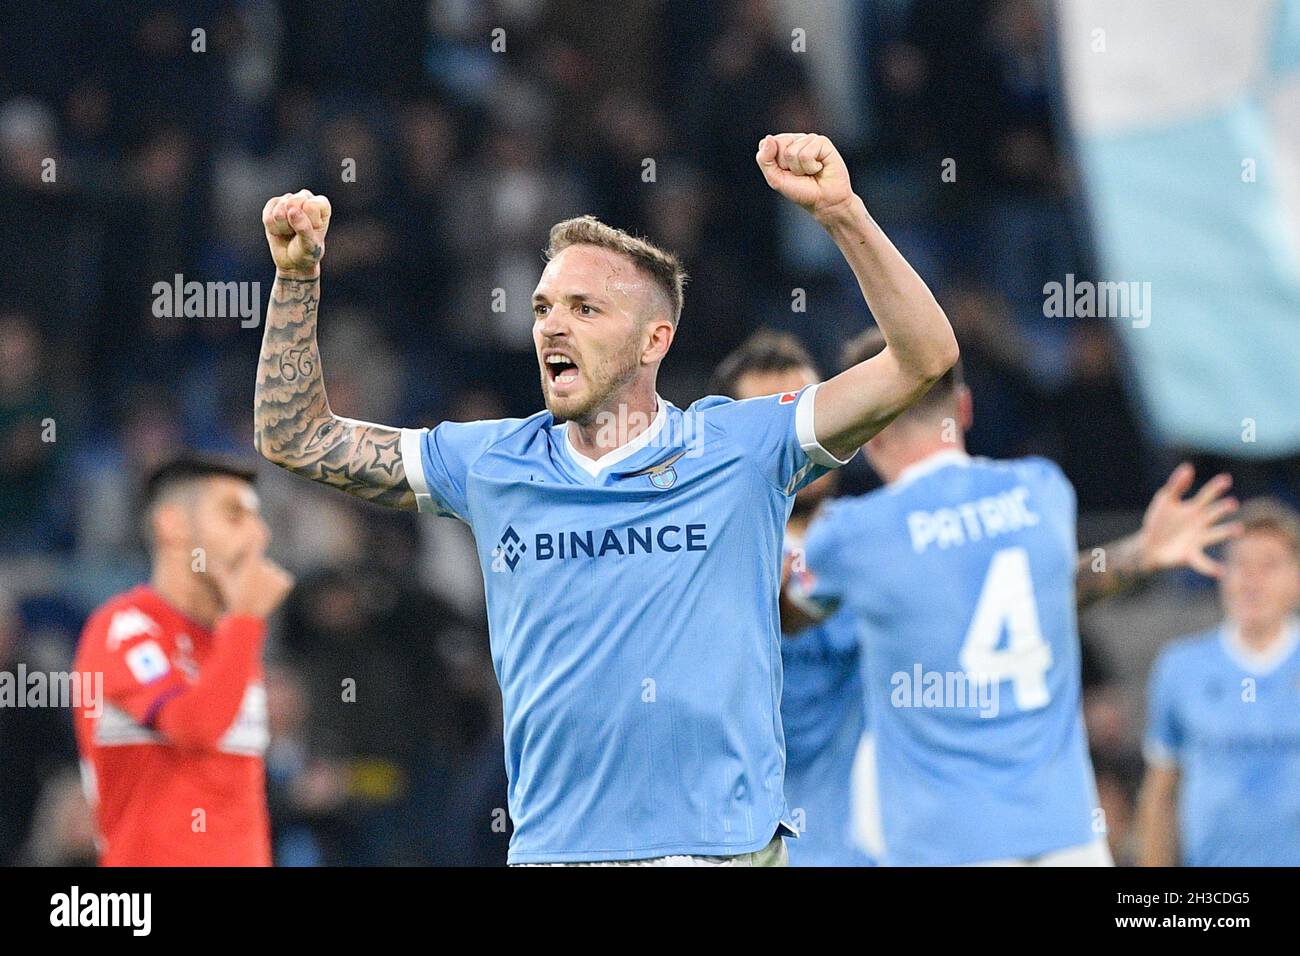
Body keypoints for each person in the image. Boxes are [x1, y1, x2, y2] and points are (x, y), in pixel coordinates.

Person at [253, 133, 959, 864]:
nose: (552, 324)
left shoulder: (741, 449)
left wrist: (842, 213)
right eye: (543, 307)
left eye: (586, 309)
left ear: (655, 339)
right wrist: (297, 276)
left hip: (720, 852)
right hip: (558, 854)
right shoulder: (492, 462)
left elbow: (924, 358)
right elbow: (295, 437)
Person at [787, 328, 1239, 866]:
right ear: (965, 407)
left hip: (946, 843)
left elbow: (784, 618)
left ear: (865, 434)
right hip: (1068, 836)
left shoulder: (853, 535)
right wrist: (1138, 553)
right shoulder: (1041, 490)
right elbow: (1042, 590)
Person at [73, 453, 293, 866]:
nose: (258, 535)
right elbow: (192, 727)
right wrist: (246, 619)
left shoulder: (230, 641)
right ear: (171, 525)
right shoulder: (122, 627)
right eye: (234, 515)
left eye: (256, 518)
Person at [710, 330, 871, 866]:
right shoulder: (685, 560)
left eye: (803, 417)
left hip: (859, 849)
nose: (793, 442)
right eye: (767, 424)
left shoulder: (877, 542)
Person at [1138, 498, 1300, 866]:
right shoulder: (1180, 667)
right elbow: (1159, 797)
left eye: (1269, 565)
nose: (1251, 580)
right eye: (1240, 563)